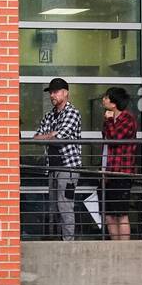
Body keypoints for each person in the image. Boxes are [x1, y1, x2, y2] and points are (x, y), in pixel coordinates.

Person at [33, 78, 82, 241]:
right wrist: (51, 135)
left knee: (65, 206)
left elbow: (60, 138)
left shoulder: (72, 113)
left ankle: (68, 243)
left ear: (65, 93)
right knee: (54, 207)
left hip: (68, 169)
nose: (52, 95)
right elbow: (36, 137)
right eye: (51, 92)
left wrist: (51, 135)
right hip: (52, 168)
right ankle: (56, 240)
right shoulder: (49, 115)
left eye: (55, 92)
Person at [100, 86, 138, 241]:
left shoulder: (127, 119)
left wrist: (109, 120)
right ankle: (115, 246)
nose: (103, 99)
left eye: (106, 97)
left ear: (114, 102)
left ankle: (125, 248)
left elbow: (115, 139)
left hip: (122, 172)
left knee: (121, 213)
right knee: (109, 214)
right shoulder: (110, 119)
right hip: (108, 171)